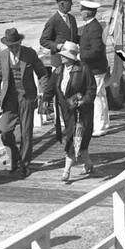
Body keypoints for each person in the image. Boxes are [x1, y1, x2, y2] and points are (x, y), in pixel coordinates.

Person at [0, 25, 48, 177]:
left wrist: (43, 91)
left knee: (26, 132)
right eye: (10, 46)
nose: (14, 48)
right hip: (9, 98)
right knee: (5, 131)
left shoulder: (30, 54)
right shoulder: (1, 56)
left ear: (20, 43)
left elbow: (42, 73)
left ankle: (24, 164)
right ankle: (14, 156)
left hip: (26, 97)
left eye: (15, 45)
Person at [50, 40, 97, 183]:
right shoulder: (58, 70)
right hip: (67, 111)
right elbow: (51, 87)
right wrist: (45, 100)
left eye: (64, 55)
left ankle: (66, 172)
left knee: (72, 139)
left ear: (71, 57)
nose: (61, 57)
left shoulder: (84, 69)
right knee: (80, 142)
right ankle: (88, 164)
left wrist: (84, 101)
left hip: (82, 112)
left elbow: (92, 89)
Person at [39, 0, 79, 141]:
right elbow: (43, 40)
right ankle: (63, 122)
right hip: (59, 62)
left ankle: (71, 119)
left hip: (72, 59)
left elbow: (74, 37)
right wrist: (57, 46)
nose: (72, 4)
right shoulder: (53, 21)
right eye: (70, 2)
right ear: (62, 4)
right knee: (60, 92)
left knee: (72, 89)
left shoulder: (72, 19)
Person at [77, 0, 112, 136]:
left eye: (82, 10)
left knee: (98, 96)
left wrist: (80, 56)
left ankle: (101, 125)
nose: (80, 12)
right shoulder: (90, 26)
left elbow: (96, 51)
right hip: (93, 68)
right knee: (98, 95)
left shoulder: (95, 28)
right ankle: (99, 124)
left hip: (96, 68)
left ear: (88, 12)